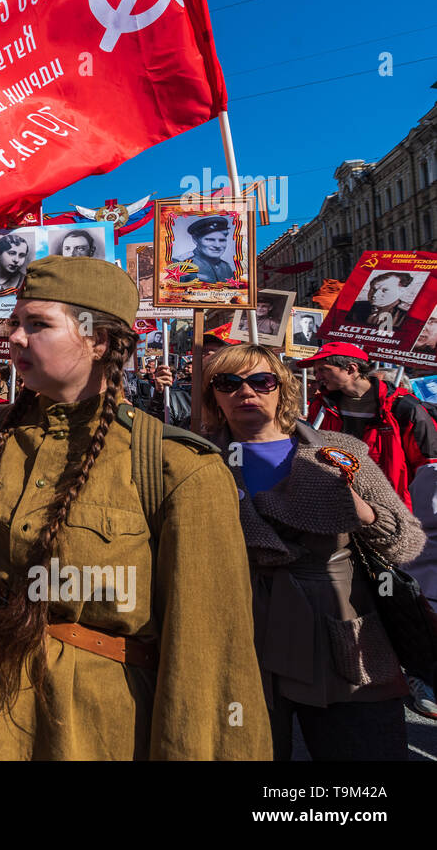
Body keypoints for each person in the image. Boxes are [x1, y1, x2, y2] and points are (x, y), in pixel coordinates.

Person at [0, 256, 272, 759]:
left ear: (100, 341)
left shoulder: (179, 468)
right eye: (16, 323)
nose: (17, 338)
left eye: (38, 324)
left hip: (90, 731)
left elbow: (209, 659)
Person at [200, 343, 428, 756]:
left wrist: (363, 512)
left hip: (343, 634)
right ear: (212, 395)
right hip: (238, 635)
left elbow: (407, 540)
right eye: (228, 382)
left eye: (260, 381)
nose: (245, 391)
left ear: (282, 390)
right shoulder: (193, 459)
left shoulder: (338, 452)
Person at [300, 342, 437, 508]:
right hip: (337, 502)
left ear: (351, 369)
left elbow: (428, 466)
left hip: (391, 507)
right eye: (316, 372)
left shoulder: (403, 408)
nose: (318, 377)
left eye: (323, 370)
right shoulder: (322, 406)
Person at [347, 271, 416, 333]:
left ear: (401, 291)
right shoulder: (355, 307)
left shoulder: (407, 315)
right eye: (373, 289)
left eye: (385, 290)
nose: (375, 295)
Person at [176, 215, 235, 284]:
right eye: (210, 240)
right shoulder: (182, 264)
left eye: (222, 240)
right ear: (195, 240)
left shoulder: (226, 267)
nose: (217, 245)